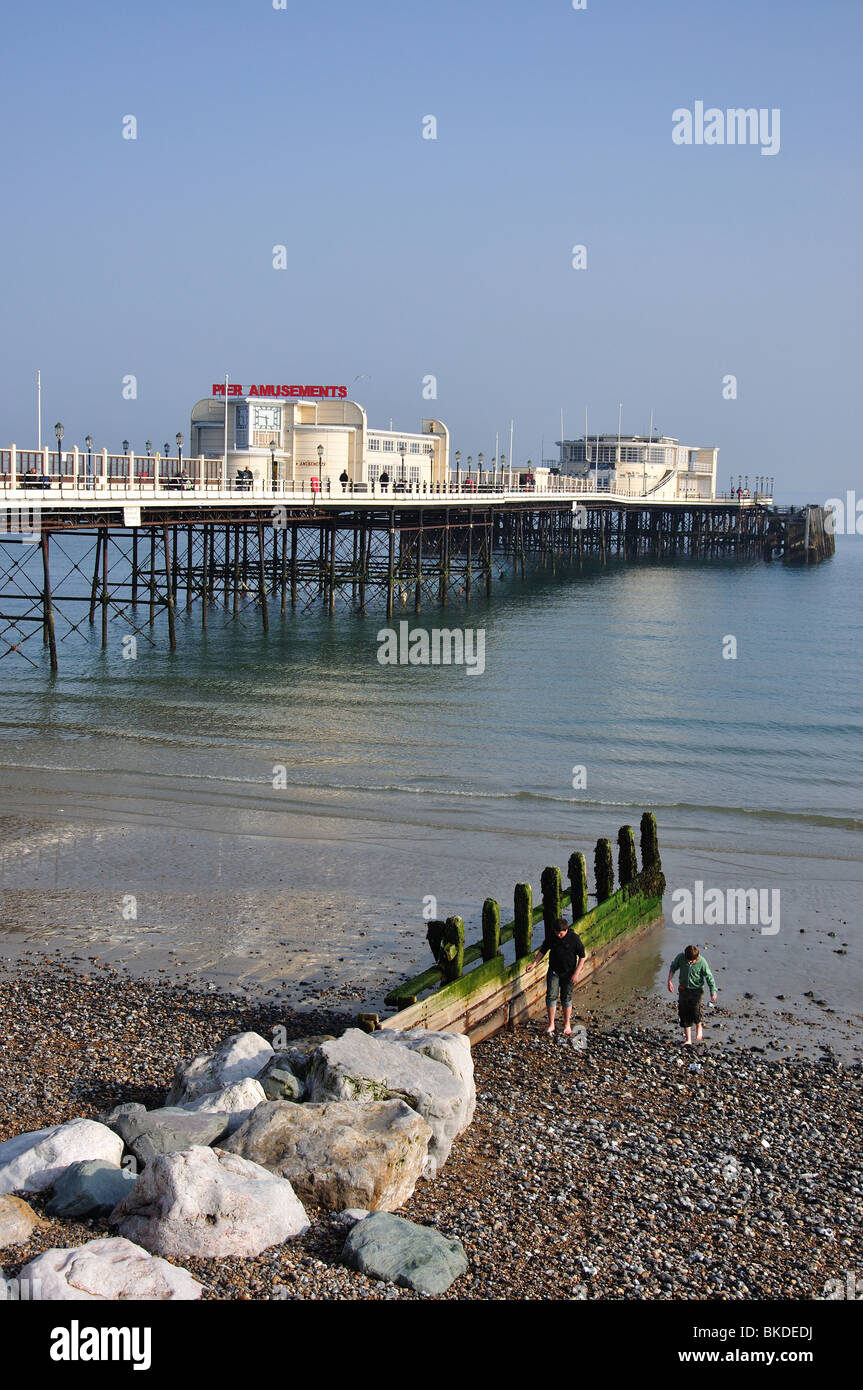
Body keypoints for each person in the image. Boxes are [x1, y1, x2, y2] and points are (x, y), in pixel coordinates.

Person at [529, 916, 585, 1037]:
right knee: (551, 996)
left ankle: (567, 1025)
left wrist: (576, 973)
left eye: (561, 933)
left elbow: (582, 957)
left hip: (569, 972)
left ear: (566, 930)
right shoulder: (551, 937)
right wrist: (534, 964)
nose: (559, 935)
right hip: (554, 971)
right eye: (557, 933)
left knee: (566, 998)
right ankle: (551, 1024)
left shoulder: (574, 938)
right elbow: (542, 951)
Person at [667, 944, 717, 1045]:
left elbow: (709, 977)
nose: (690, 962)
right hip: (683, 989)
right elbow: (673, 968)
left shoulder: (702, 962)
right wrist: (669, 981)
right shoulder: (680, 958)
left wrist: (713, 991)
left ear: (697, 958)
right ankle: (688, 1040)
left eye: (692, 961)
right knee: (684, 1013)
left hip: (697, 990)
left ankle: (699, 1025)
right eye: (688, 961)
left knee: (695, 1010)